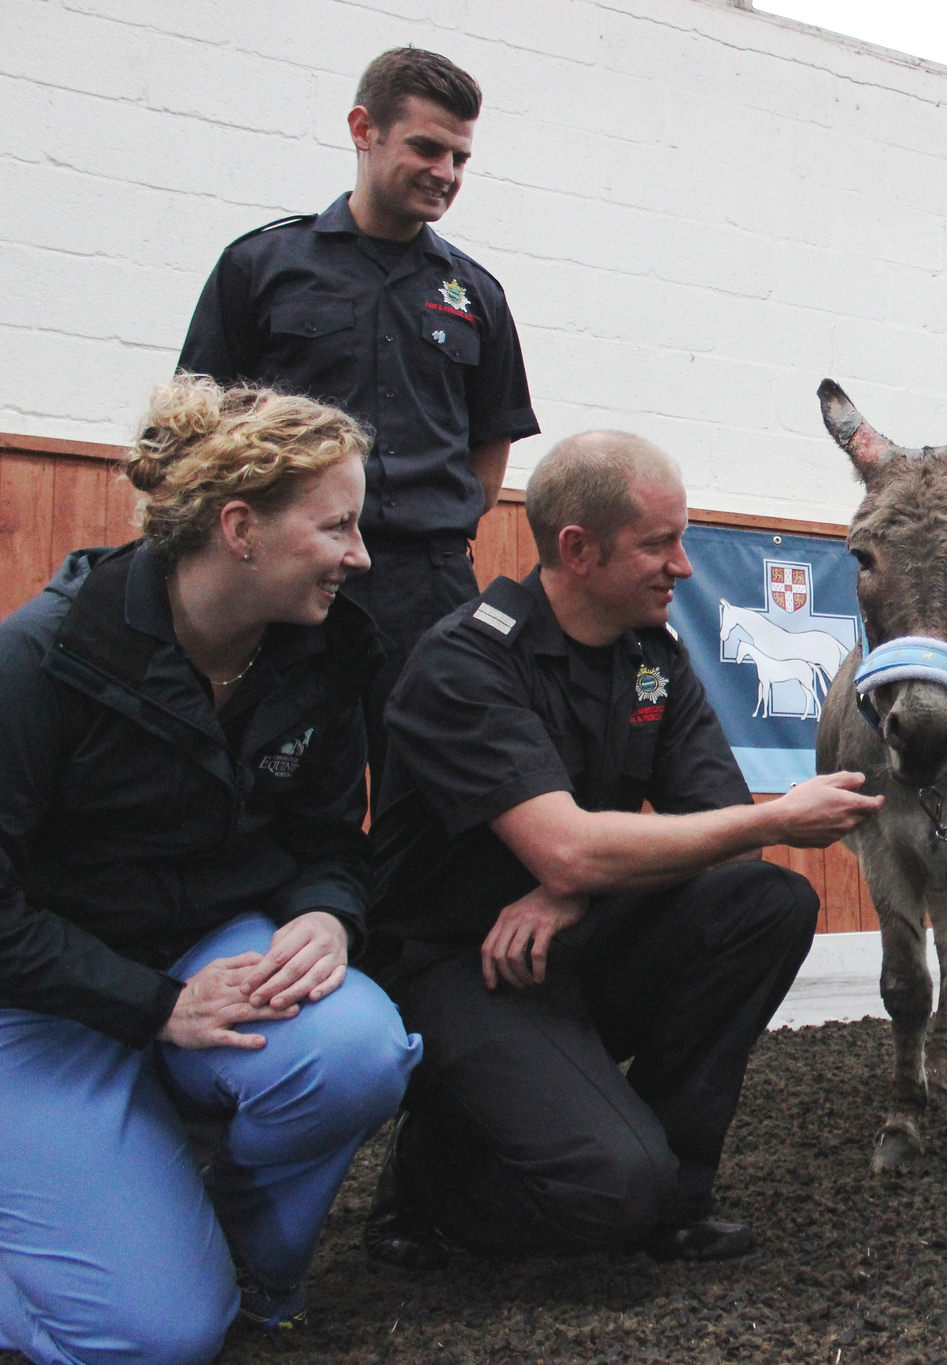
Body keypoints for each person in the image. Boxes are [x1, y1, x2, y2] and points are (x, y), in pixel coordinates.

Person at [362, 431, 881, 1270]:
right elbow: (579, 847)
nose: (683, 565)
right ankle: (433, 1178)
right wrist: (775, 818)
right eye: (658, 543)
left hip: (564, 936)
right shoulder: (464, 663)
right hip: (456, 964)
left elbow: (717, 840)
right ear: (578, 549)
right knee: (610, 1195)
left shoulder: (652, 660)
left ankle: (677, 1195)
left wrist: (573, 888)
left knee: (767, 905)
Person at [0, 376, 420, 1362]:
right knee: (154, 1338)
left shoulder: (321, 654)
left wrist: (327, 914)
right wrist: (156, 1006)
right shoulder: (39, 661)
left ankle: (242, 1267)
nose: (360, 556)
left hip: (203, 952)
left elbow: (328, 840)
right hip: (43, 994)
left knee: (357, 1048)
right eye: (338, 527)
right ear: (240, 529)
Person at [178, 46, 539, 790]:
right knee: (275, 783)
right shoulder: (262, 266)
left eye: (461, 158)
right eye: (427, 147)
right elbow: (201, 432)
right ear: (363, 129)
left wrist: (430, 534)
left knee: (435, 794)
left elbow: (489, 449)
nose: (446, 172)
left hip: (427, 585)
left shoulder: (476, 294)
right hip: (286, 574)